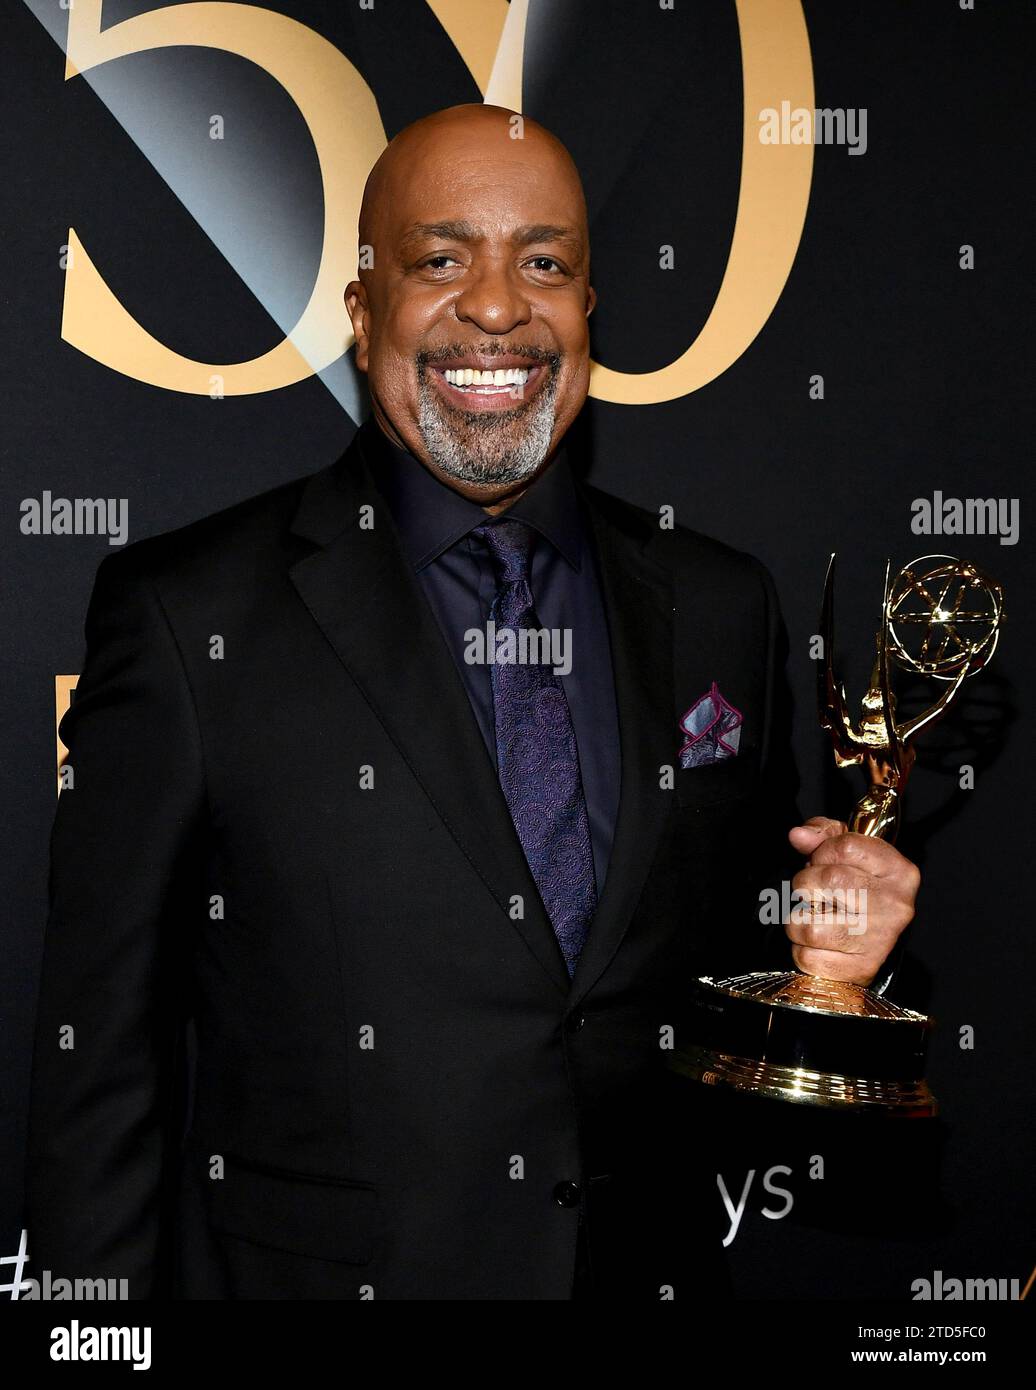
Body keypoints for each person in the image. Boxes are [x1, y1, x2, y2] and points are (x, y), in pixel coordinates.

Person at [25, 104, 920, 1300]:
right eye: (440, 260)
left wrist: (824, 971)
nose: (498, 308)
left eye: (543, 263)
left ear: (589, 314)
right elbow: (101, 1061)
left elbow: (707, 993)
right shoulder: (188, 617)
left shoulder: (719, 602)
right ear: (362, 312)